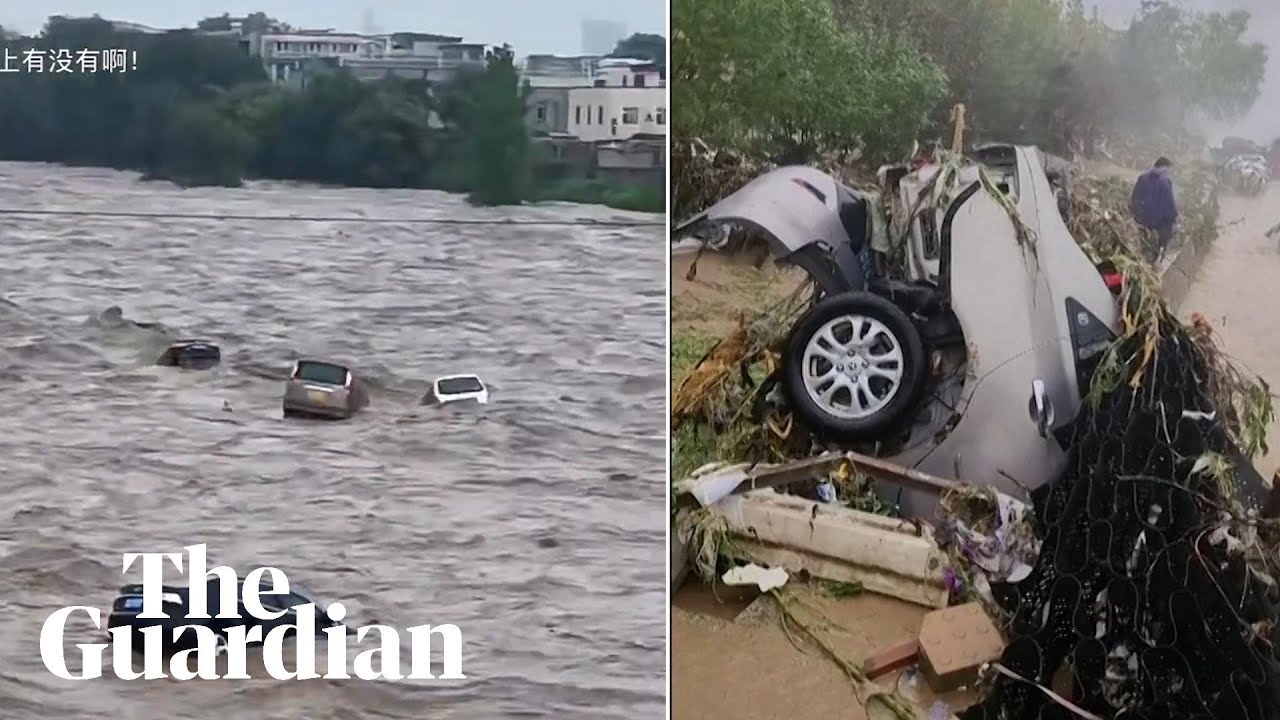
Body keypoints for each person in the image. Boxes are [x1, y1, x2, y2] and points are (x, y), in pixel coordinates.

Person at [1129, 157, 1178, 263]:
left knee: (1143, 244)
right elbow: (1169, 203)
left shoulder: (1143, 177)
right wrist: (1174, 217)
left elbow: (1134, 198)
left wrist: (1136, 214)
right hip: (1159, 222)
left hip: (1142, 219)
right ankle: (1158, 258)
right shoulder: (1165, 181)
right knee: (1163, 240)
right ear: (1164, 167)